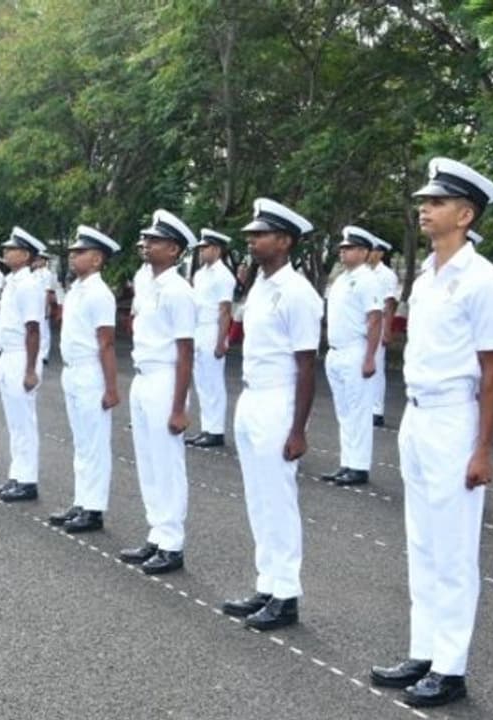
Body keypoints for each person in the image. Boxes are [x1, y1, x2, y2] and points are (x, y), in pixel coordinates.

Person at [369, 157, 493, 708]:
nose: (425, 208)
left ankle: (450, 668)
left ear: (465, 213)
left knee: (453, 549)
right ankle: (423, 651)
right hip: (419, 417)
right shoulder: (426, 277)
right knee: (422, 544)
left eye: (438, 202)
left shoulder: (484, 281)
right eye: (425, 201)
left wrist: (482, 448)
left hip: (456, 420)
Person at [220, 198, 321, 631]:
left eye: (260, 234)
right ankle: (267, 583)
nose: (251, 240)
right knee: (259, 498)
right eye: (251, 234)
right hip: (252, 396)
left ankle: (286, 594)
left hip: (279, 400)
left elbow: (306, 365)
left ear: (284, 241)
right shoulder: (259, 285)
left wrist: (298, 429)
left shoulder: (297, 293)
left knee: (279, 500)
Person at [119, 211, 197, 573]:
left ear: (174, 249)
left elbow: (185, 351)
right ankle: (156, 532)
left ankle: (172, 542)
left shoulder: (179, 291)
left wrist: (179, 406)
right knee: (148, 460)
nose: (146, 246)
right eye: (146, 240)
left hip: (166, 379)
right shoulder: (145, 280)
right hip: (142, 375)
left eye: (155, 241)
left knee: (167, 462)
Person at [48, 225, 120, 533]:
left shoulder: (100, 294)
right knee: (81, 443)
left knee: (95, 445)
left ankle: (94, 509)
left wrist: (111, 388)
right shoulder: (77, 289)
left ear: (97, 259)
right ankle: (81, 500)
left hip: (91, 372)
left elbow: (106, 342)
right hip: (72, 370)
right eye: (73, 252)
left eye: (81, 253)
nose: (73, 257)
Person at [321, 226, 384, 486]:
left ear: (363, 252)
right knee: (344, 411)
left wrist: (370, 357)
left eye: (349, 248)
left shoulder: (368, 279)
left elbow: (375, 319)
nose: (343, 252)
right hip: (336, 351)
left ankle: (359, 466)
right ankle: (347, 462)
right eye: (342, 248)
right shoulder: (343, 279)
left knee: (358, 411)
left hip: (356, 350)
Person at [0, 227, 47, 502]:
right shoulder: (13, 282)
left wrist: (31, 369)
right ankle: (17, 474)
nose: (5, 252)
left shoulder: (29, 285)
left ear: (25, 255)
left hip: (22, 355)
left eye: (11, 249)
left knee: (24, 422)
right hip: (8, 354)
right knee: (14, 422)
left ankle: (27, 480)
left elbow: (33, 329)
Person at [186, 228, 236, 448]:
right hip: (198, 329)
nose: (201, 252)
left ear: (216, 249)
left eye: (205, 248)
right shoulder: (199, 274)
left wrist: (221, 341)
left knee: (213, 382)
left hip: (212, 329)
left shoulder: (223, 275)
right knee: (202, 382)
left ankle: (216, 431)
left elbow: (225, 310)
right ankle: (206, 427)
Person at [368, 238, 400, 426]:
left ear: (380, 253)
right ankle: (365, 406)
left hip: (379, 324)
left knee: (377, 367)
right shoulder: (362, 273)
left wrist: (387, 329)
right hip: (362, 325)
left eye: (373, 250)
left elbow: (389, 303)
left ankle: (377, 410)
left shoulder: (386, 275)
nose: (369, 254)